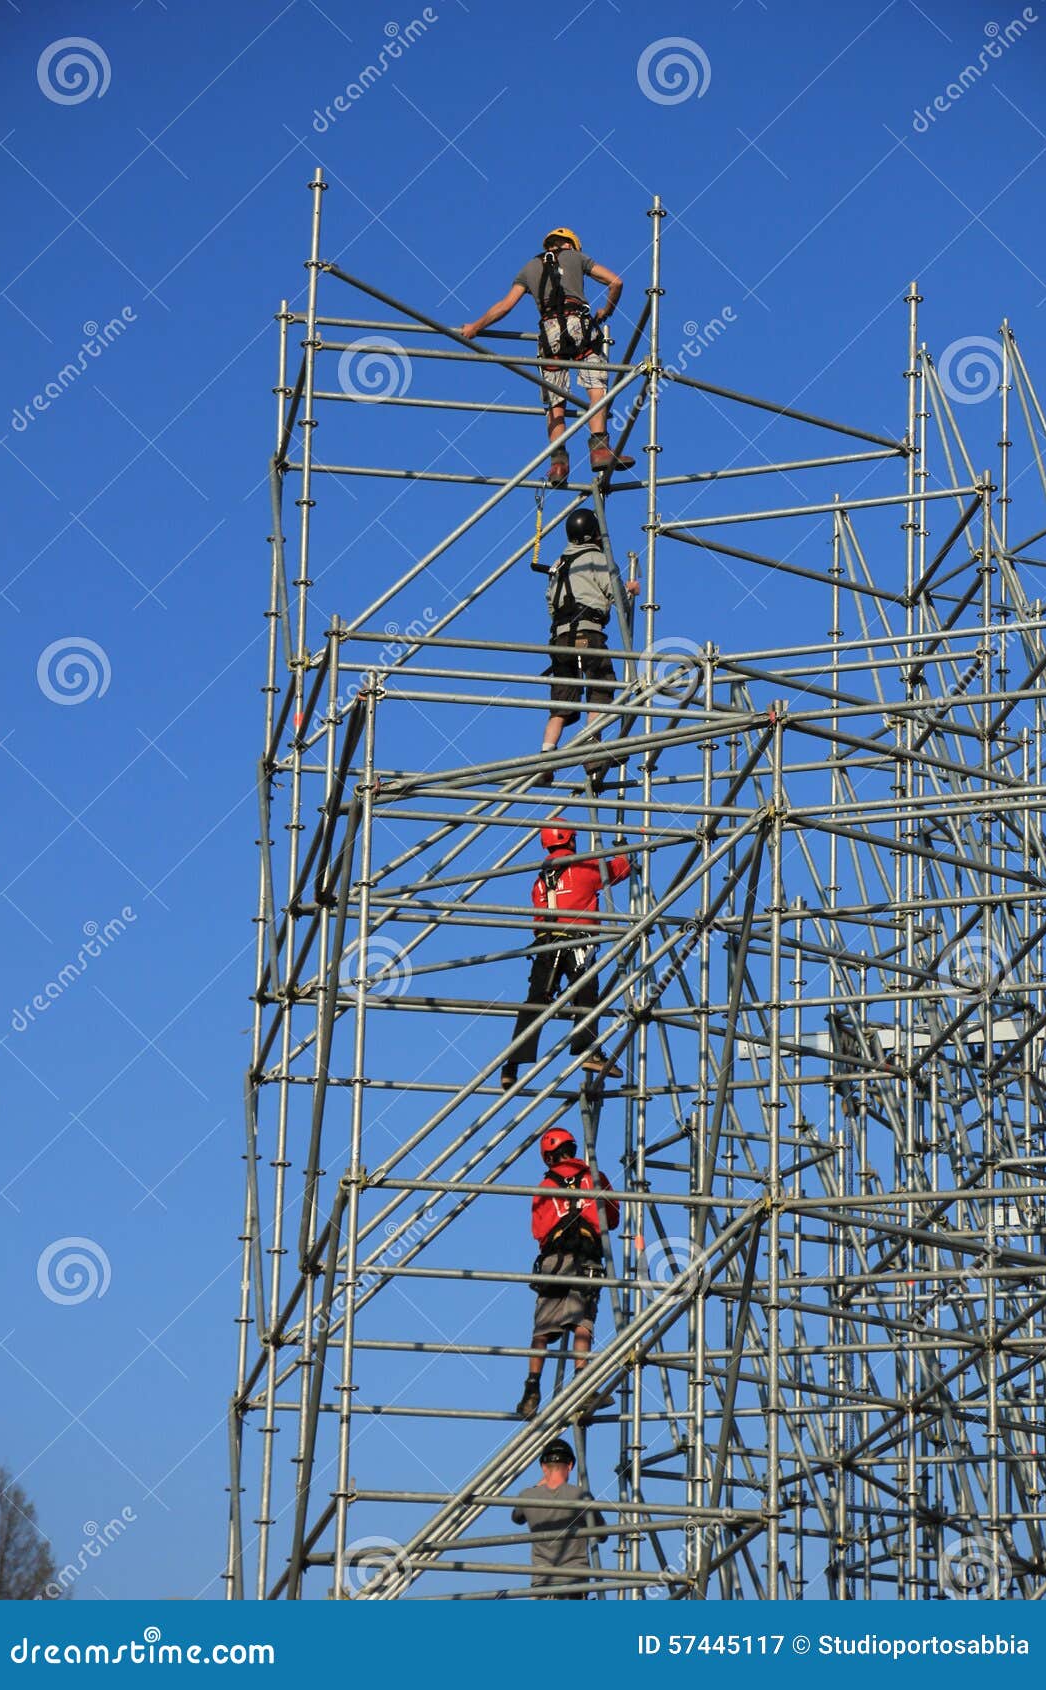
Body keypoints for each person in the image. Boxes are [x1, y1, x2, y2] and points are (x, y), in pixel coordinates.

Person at [461, 227, 635, 484]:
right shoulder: (576, 257)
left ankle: (558, 465)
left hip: (550, 334)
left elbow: (505, 306)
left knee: (555, 402)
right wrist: (606, 311)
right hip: (580, 327)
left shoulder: (529, 267)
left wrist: (475, 327)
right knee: (596, 385)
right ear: (570, 246)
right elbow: (616, 282)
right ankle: (599, 449)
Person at [501, 822, 632, 1090]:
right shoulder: (583, 867)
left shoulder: (540, 879)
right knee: (585, 993)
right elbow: (617, 872)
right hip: (577, 942)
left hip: (546, 944)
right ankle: (589, 1051)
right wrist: (624, 853)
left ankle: (511, 1065)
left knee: (536, 1001)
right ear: (572, 840)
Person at [516, 1126, 620, 1423]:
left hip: (553, 1261)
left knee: (541, 1330)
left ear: (548, 1156)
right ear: (573, 1149)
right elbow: (611, 1218)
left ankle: (531, 1389)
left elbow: (539, 1231)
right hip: (586, 1259)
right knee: (582, 1325)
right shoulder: (595, 1177)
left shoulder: (545, 1184)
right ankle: (582, 1385)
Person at [537, 507, 639, 785]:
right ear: (594, 533)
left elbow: (550, 603)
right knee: (601, 688)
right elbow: (617, 598)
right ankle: (592, 751)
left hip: (559, 639)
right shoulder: (597, 559)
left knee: (561, 702)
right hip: (589, 634)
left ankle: (545, 761)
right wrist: (629, 592)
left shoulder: (558, 563)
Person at [512, 1438, 607, 1599]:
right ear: (570, 1466)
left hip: (542, 1582)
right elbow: (603, 1535)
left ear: (543, 1467)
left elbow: (517, 1517)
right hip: (575, 1580)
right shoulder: (580, 1495)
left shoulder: (527, 1496)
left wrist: (538, 1487)